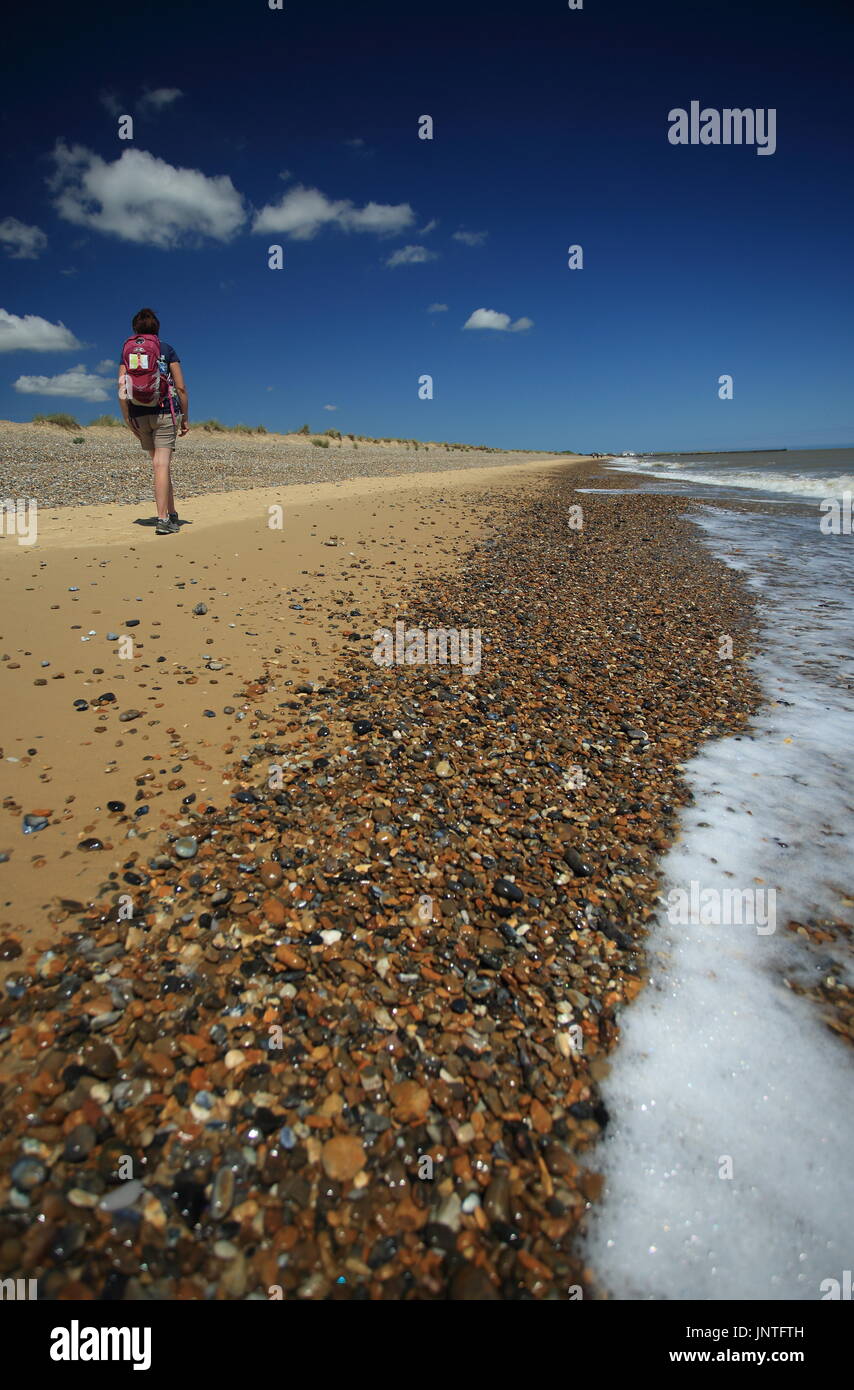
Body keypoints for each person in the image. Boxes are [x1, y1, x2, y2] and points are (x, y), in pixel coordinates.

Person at [118, 308, 189, 535]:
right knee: (162, 465)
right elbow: (180, 387)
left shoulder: (127, 351)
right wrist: (185, 417)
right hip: (164, 411)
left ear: (134, 328)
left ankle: (172, 512)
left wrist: (128, 419)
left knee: (159, 465)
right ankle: (163, 520)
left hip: (139, 414)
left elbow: (121, 387)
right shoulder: (166, 349)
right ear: (157, 327)